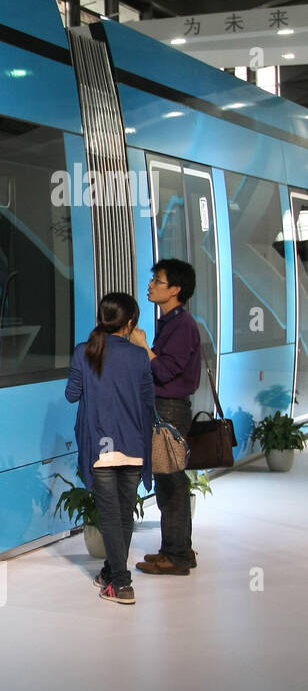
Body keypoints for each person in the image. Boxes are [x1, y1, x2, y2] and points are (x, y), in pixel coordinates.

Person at [65, 292, 155, 605]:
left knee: (111, 516)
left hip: (102, 447)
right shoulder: (139, 356)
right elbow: (147, 402)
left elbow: (71, 395)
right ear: (130, 323)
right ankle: (109, 571)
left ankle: (122, 583)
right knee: (123, 514)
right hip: (134, 446)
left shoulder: (83, 352)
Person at [130, 259, 203, 575]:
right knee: (168, 482)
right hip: (167, 407)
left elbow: (165, 370)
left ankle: (176, 556)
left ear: (176, 289)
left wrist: (143, 345)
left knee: (171, 483)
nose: (151, 284)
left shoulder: (181, 324)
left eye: (158, 280)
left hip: (171, 409)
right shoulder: (172, 321)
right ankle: (177, 550)